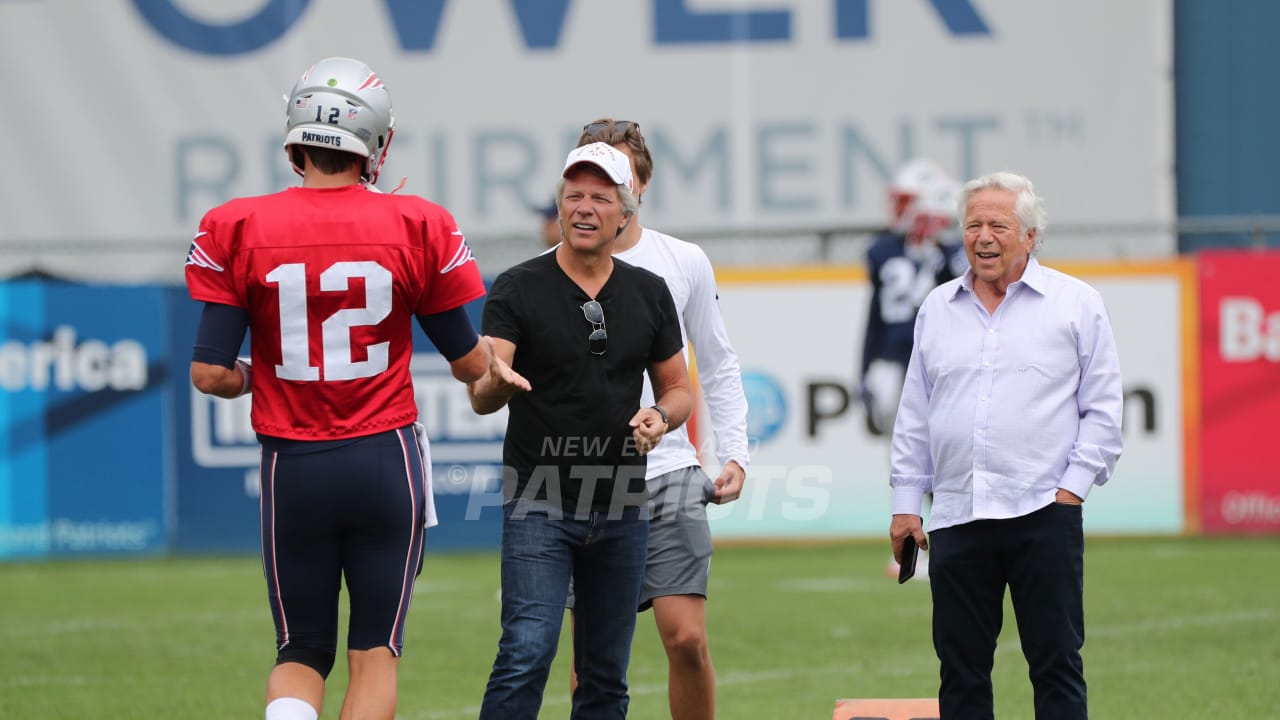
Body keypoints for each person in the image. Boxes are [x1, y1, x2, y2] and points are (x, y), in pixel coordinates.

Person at [185, 56, 524, 720]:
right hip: (383, 459)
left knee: (301, 648)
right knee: (375, 653)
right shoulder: (414, 225)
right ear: (376, 141)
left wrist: (262, 374)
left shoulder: (239, 225)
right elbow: (467, 364)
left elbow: (209, 373)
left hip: (293, 463)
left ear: (295, 136)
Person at [469, 141, 693, 719]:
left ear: (625, 211)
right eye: (573, 195)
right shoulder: (519, 286)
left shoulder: (649, 291)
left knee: (604, 676)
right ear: (559, 206)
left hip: (622, 502)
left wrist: (661, 418)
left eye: (599, 197)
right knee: (526, 652)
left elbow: (679, 389)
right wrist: (496, 379)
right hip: (539, 495)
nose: (584, 208)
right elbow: (483, 394)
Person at [888, 171, 1123, 719]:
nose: (984, 237)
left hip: (1044, 510)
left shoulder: (1076, 304)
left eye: (998, 225)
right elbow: (915, 416)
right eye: (973, 225)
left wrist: (1072, 491)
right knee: (961, 669)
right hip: (956, 515)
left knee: (1056, 663)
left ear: (1031, 236)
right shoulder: (936, 309)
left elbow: (1104, 410)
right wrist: (905, 505)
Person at [566, 118, 750, 720]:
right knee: (590, 660)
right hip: (585, 480)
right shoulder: (547, 269)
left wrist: (736, 453)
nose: (603, 194)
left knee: (687, 639)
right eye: (589, 180)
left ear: (640, 184)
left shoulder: (683, 260)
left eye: (617, 177)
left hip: (669, 469)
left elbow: (717, 364)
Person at [860, 159, 968, 437]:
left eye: (906, 201)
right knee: (901, 443)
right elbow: (874, 314)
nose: (899, 209)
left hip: (941, 355)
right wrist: (865, 365)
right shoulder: (883, 249)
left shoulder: (956, 251)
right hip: (894, 354)